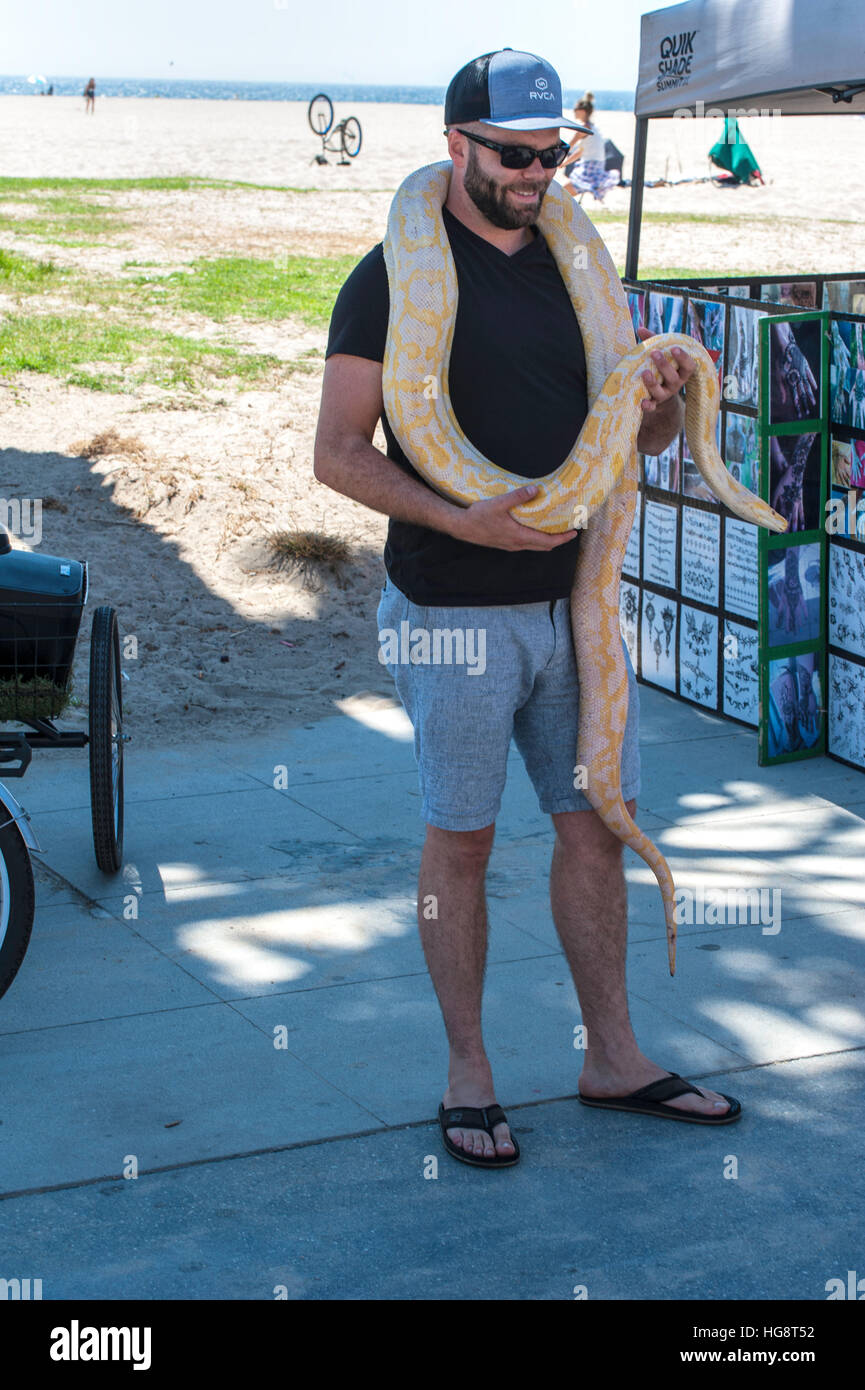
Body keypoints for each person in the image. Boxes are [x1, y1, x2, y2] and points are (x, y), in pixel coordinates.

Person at [314, 48, 740, 1169]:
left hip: (577, 600)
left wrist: (656, 409)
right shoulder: (391, 274)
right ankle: (469, 1074)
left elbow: (630, 443)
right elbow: (337, 455)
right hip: (456, 605)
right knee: (462, 839)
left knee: (594, 828)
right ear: (454, 146)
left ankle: (613, 1057)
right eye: (514, 153)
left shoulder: (578, 266)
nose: (538, 172)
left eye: (556, 153)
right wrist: (468, 520)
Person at [561, 92, 618, 202]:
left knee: (562, 195)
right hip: (596, 167)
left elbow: (569, 146)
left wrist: (557, 158)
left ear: (582, 111)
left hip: (589, 169)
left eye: (575, 109)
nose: (574, 112)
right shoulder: (592, 128)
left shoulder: (584, 129)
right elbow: (581, 151)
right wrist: (565, 163)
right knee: (565, 196)